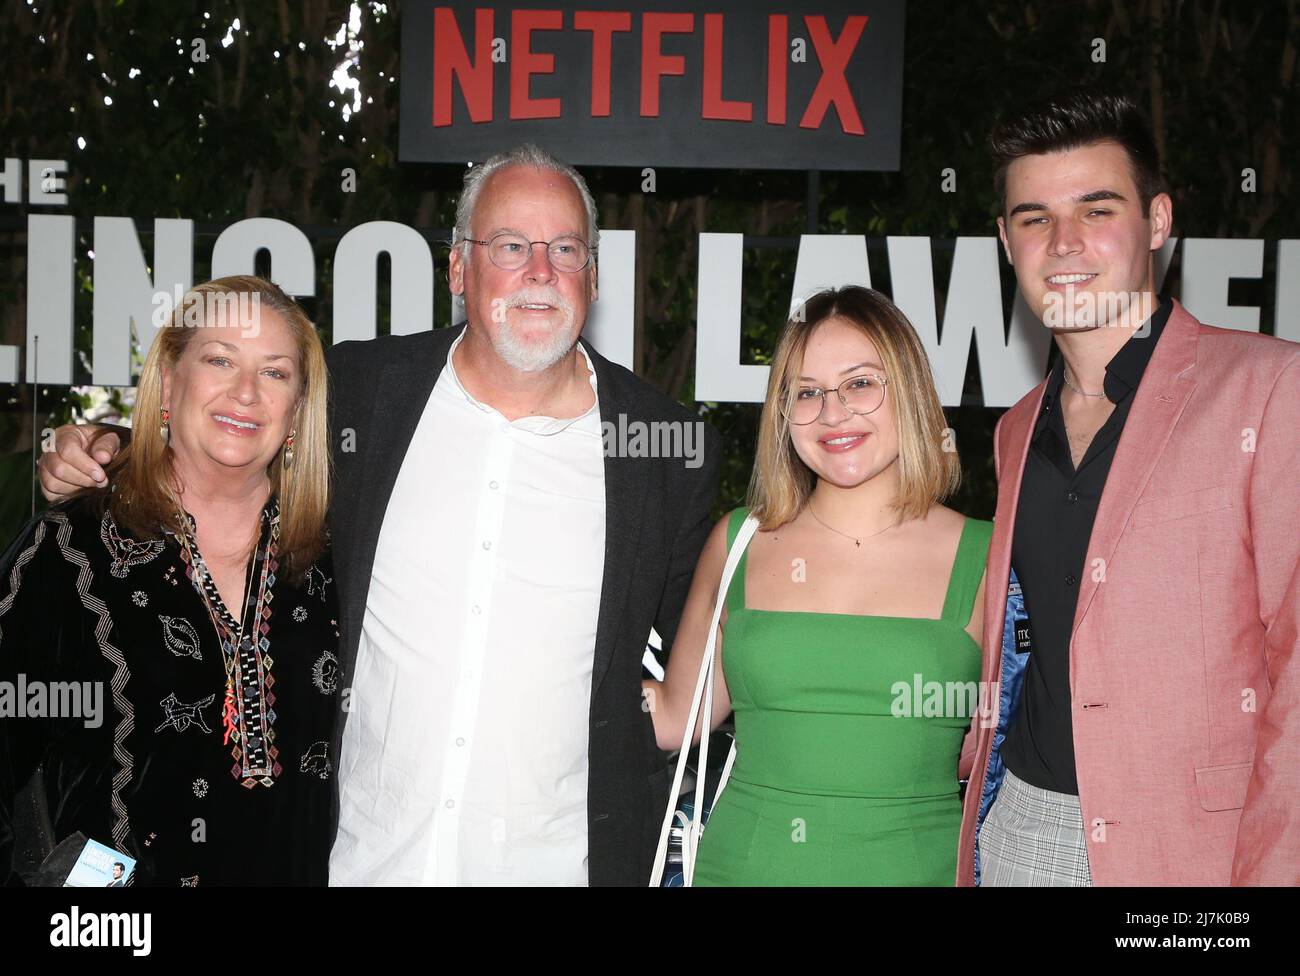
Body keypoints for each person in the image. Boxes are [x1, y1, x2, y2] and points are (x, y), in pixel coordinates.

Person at [40, 145, 722, 886]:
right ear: (458, 269)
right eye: (510, 246)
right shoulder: (365, 392)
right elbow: (237, 441)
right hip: (362, 867)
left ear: (592, 274)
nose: (539, 272)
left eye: (565, 249)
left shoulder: (664, 453)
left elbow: (712, 657)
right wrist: (114, 447)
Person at [957, 88, 1300, 886]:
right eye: (1035, 218)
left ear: (1158, 221)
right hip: (1019, 835)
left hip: (1195, 856)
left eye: (1097, 208)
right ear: (1007, 242)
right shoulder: (1015, 429)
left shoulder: (1268, 389)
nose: (1065, 242)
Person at [645, 286, 990, 885]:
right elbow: (677, 717)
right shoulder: (738, 544)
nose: (833, 414)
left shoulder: (987, 554)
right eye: (806, 393)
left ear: (908, 390)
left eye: (860, 383)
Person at [2, 276, 336, 886]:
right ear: (168, 383)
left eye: (275, 372)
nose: (245, 393)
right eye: (219, 360)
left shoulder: (335, 559)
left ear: (297, 411)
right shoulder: (72, 549)